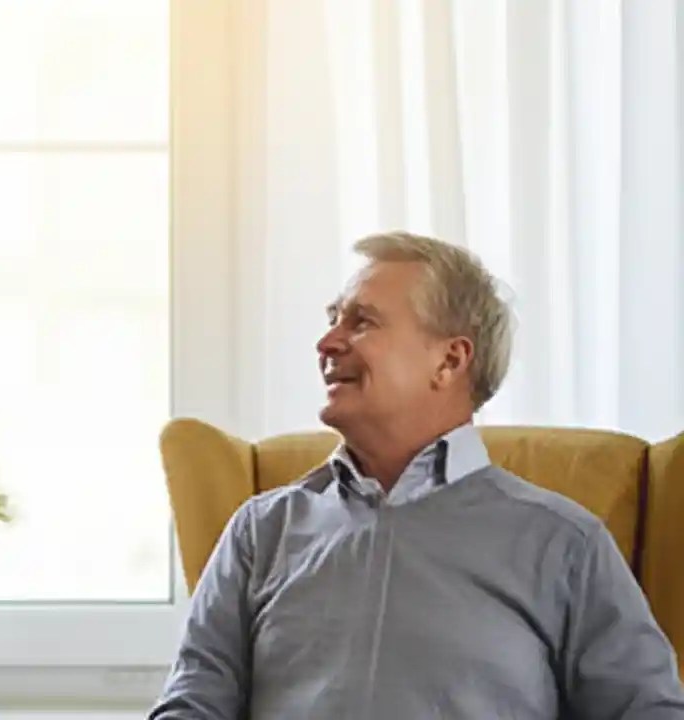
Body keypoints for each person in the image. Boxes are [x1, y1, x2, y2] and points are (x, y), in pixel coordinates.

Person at [150, 232, 684, 719]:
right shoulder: (260, 532)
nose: (327, 343)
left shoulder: (566, 544)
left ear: (449, 361)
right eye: (333, 319)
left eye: (361, 321)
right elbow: (193, 705)